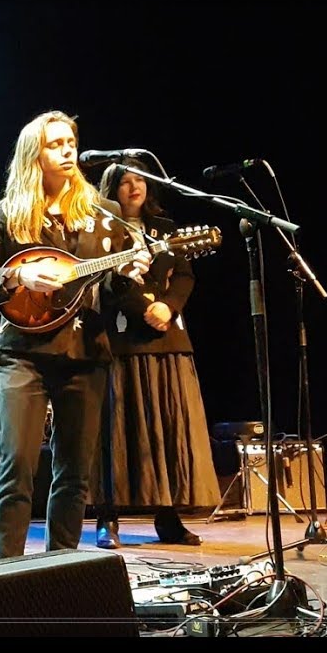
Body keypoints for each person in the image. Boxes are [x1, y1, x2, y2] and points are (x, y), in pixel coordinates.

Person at [0, 110, 150, 558]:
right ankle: (6, 571)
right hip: (24, 353)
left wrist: (127, 276)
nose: (67, 151)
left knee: (74, 473)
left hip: (85, 352)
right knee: (17, 465)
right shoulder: (11, 214)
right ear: (34, 155)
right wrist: (17, 276)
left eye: (70, 143)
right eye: (55, 144)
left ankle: (59, 569)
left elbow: (110, 291)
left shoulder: (105, 214)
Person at [89, 158, 220, 548]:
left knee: (168, 430)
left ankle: (168, 518)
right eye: (125, 182)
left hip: (168, 340)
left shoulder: (165, 229)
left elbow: (184, 275)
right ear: (112, 189)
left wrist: (169, 306)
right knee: (116, 431)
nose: (135, 188)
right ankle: (107, 518)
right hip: (121, 341)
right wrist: (145, 307)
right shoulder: (101, 229)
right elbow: (105, 280)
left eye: (140, 180)